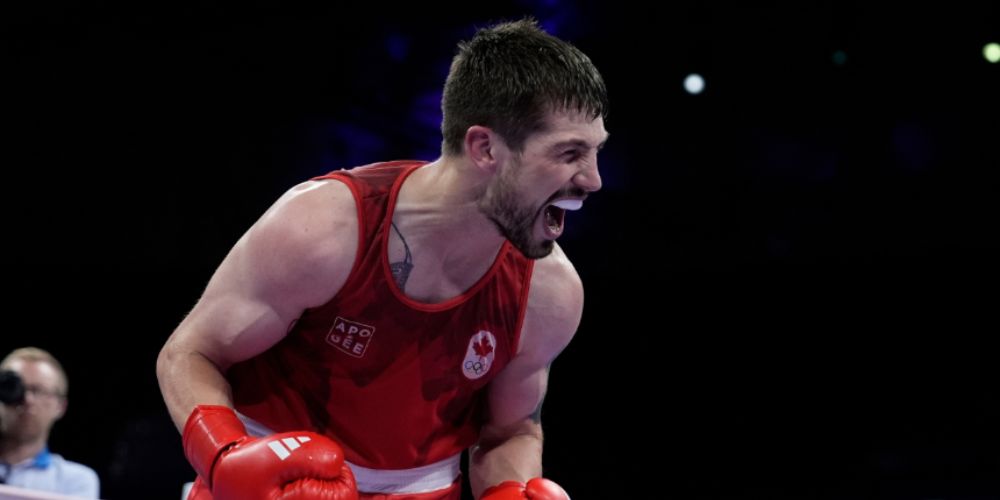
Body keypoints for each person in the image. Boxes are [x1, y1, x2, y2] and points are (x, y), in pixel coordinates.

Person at [157, 18, 608, 500]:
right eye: (569, 153)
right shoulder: (327, 226)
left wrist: (512, 489)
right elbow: (191, 353)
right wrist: (225, 455)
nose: (593, 179)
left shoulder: (548, 291)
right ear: (484, 148)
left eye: (596, 151)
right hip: (273, 480)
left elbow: (511, 431)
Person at [0, 348, 100, 499]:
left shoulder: (74, 481)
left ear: (60, 406)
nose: (27, 399)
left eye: (38, 391)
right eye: (14, 387)